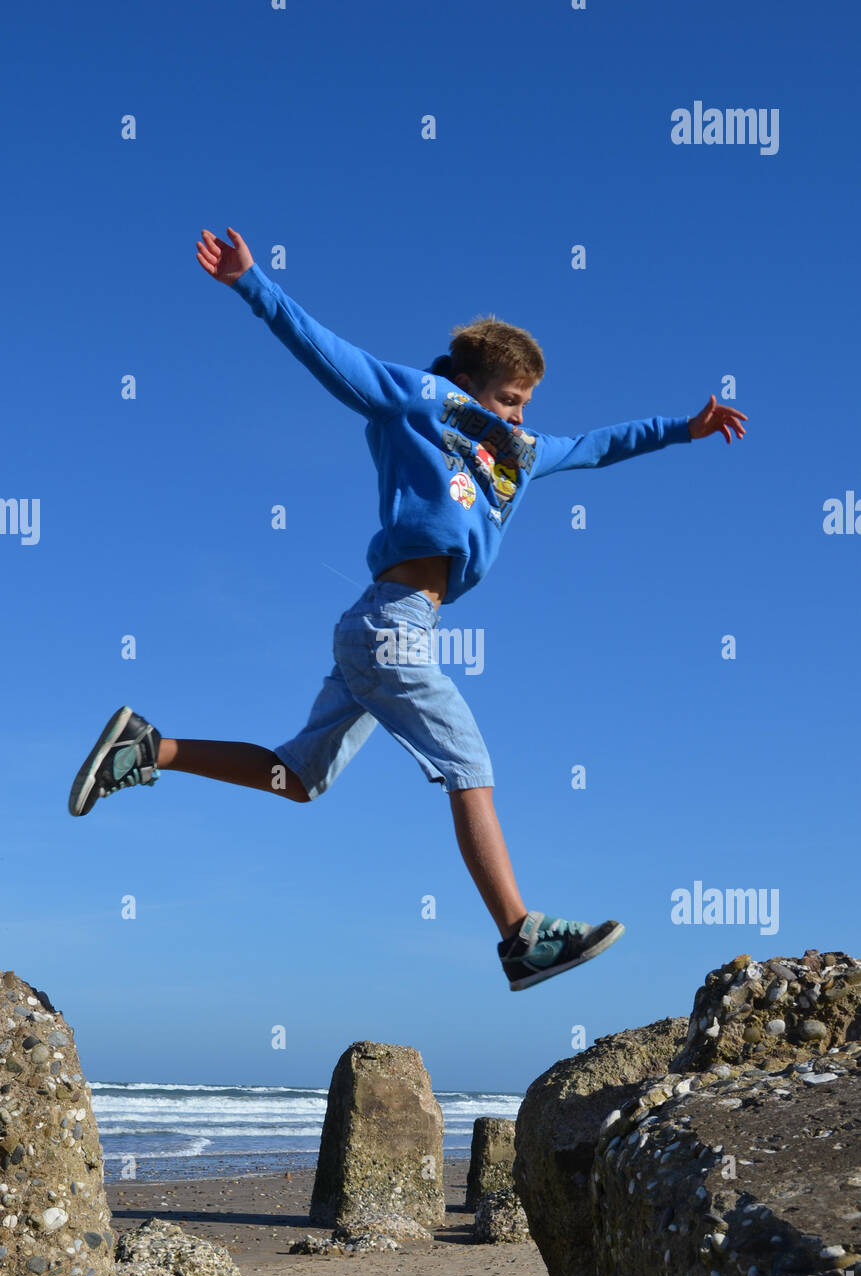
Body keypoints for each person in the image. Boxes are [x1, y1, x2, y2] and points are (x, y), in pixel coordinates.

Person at [68, 227, 747, 992]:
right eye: (510, 400)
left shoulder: (520, 454)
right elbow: (328, 353)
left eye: (526, 406)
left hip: (390, 625)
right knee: (469, 763)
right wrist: (252, 285)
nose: (520, 418)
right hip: (389, 624)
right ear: (469, 377)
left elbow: (596, 444)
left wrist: (683, 430)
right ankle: (521, 935)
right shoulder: (419, 399)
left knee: (299, 777)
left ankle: (146, 748)